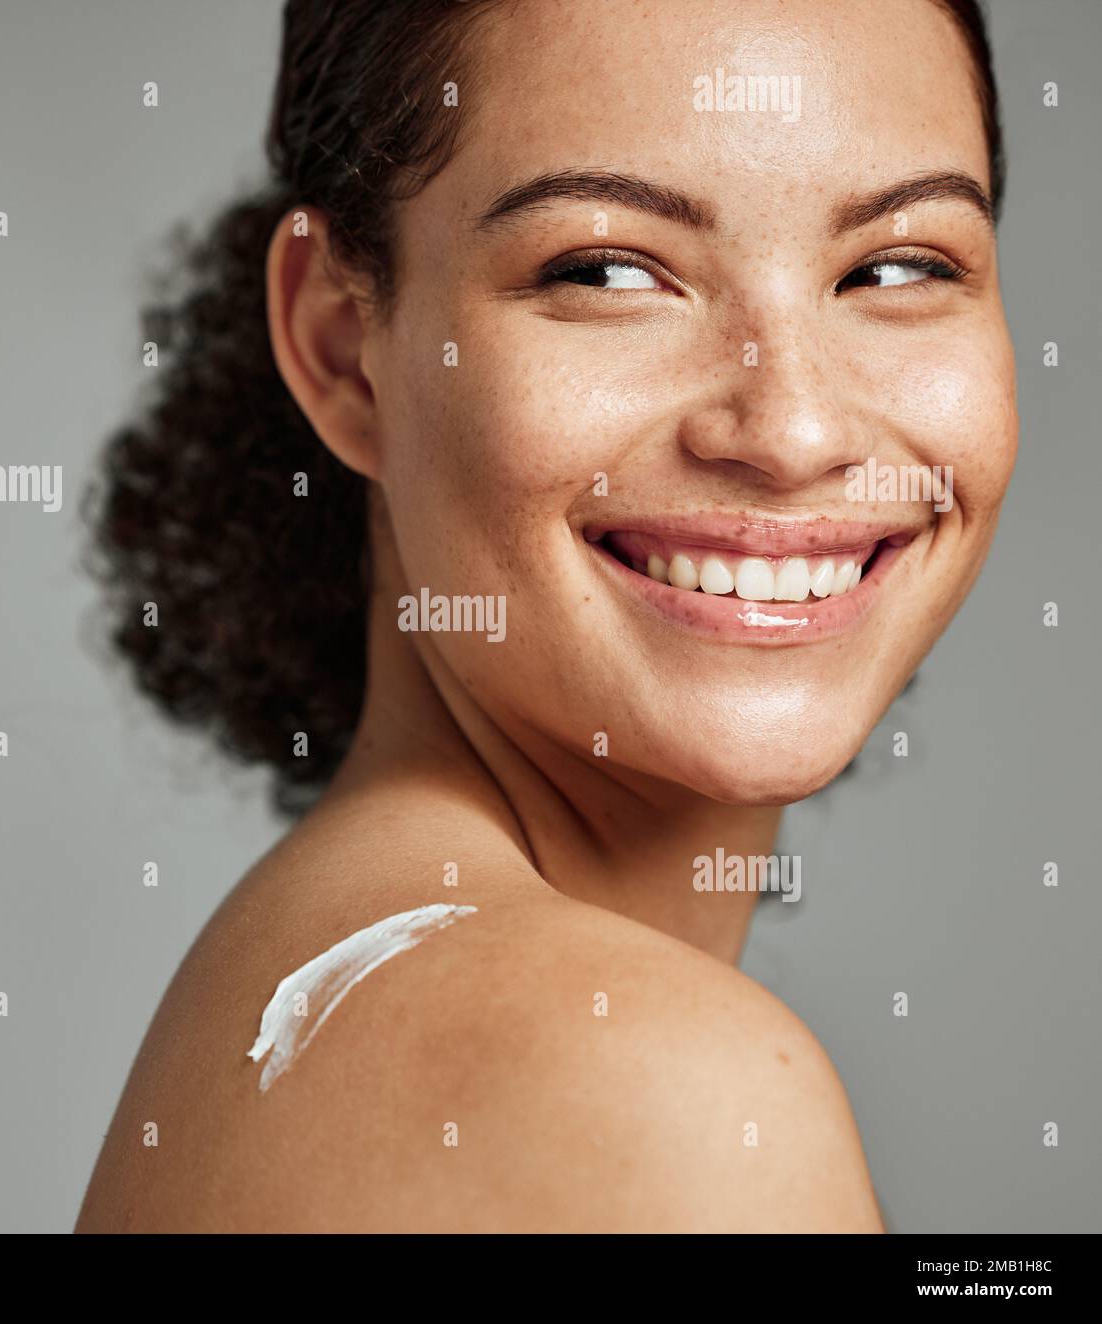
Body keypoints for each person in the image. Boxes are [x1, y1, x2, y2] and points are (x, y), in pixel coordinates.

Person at [77, 0, 1016, 1232]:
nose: (792, 431)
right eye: (608, 270)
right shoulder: (645, 1084)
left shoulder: (313, 984)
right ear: (344, 346)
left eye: (896, 267)